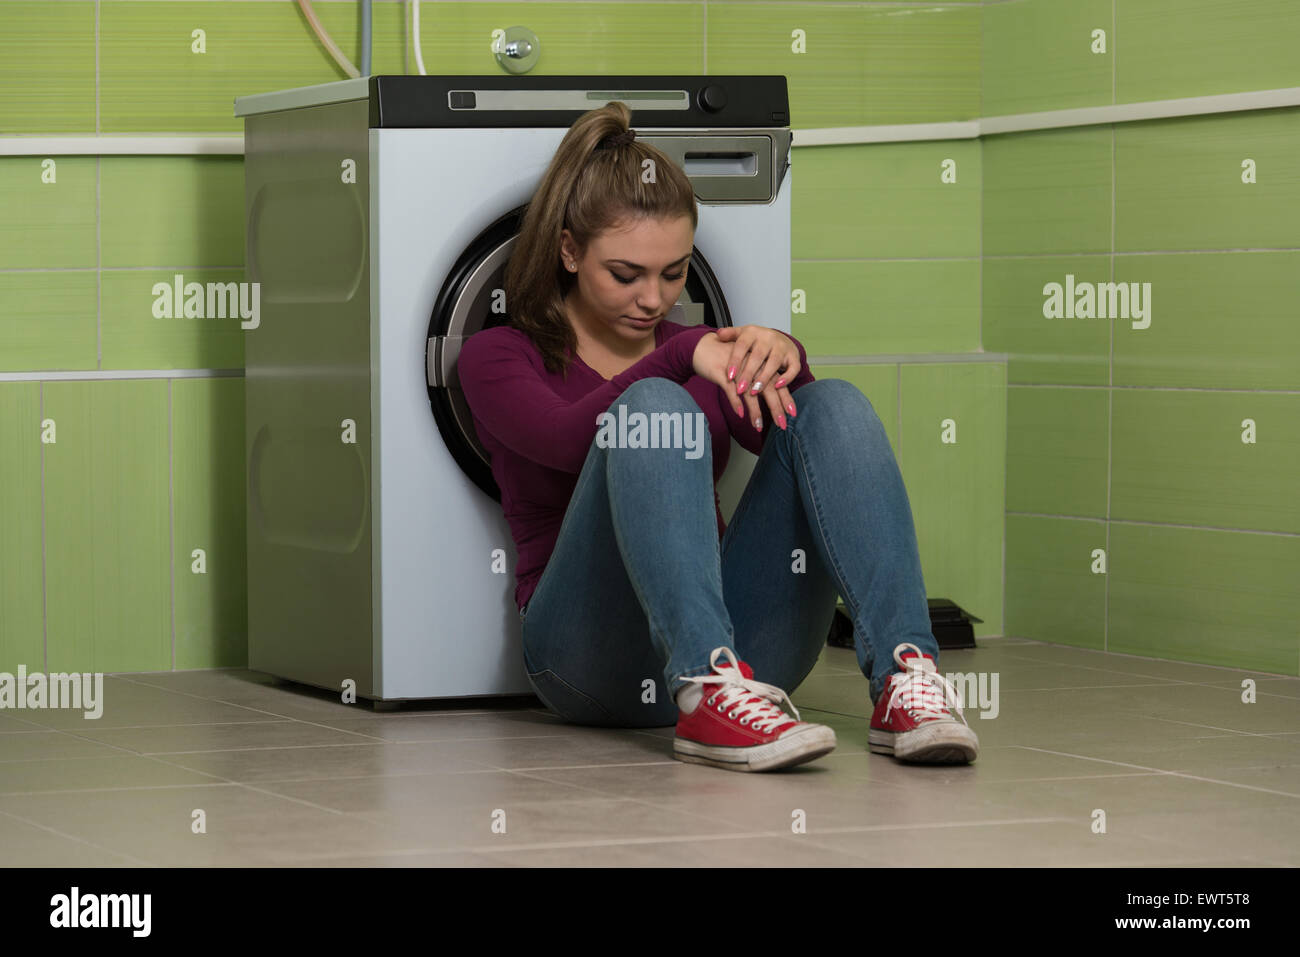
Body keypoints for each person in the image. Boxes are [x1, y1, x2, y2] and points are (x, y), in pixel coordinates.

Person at [457, 102, 978, 773]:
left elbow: (809, 450)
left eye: (674, 272)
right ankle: (702, 694)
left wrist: (782, 357)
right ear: (568, 250)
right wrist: (683, 356)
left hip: (749, 651)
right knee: (654, 407)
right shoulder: (499, 354)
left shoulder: (698, 348)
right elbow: (562, 439)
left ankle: (908, 679)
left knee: (833, 405)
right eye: (627, 274)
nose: (655, 298)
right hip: (586, 654)